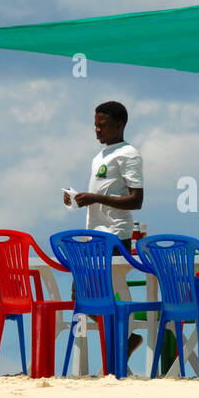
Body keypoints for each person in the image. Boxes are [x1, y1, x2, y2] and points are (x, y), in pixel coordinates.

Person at [61, 101, 146, 360]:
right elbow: (101, 193)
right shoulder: (99, 156)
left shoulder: (129, 154)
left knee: (95, 292)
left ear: (119, 125)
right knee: (81, 294)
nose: (97, 130)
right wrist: (78, 200)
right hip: (94, 234)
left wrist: (96, 199)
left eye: (103, 125)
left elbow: (136, 200)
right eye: (96, 125)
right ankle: (124, 338)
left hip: (115, 233)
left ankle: (124, 339)